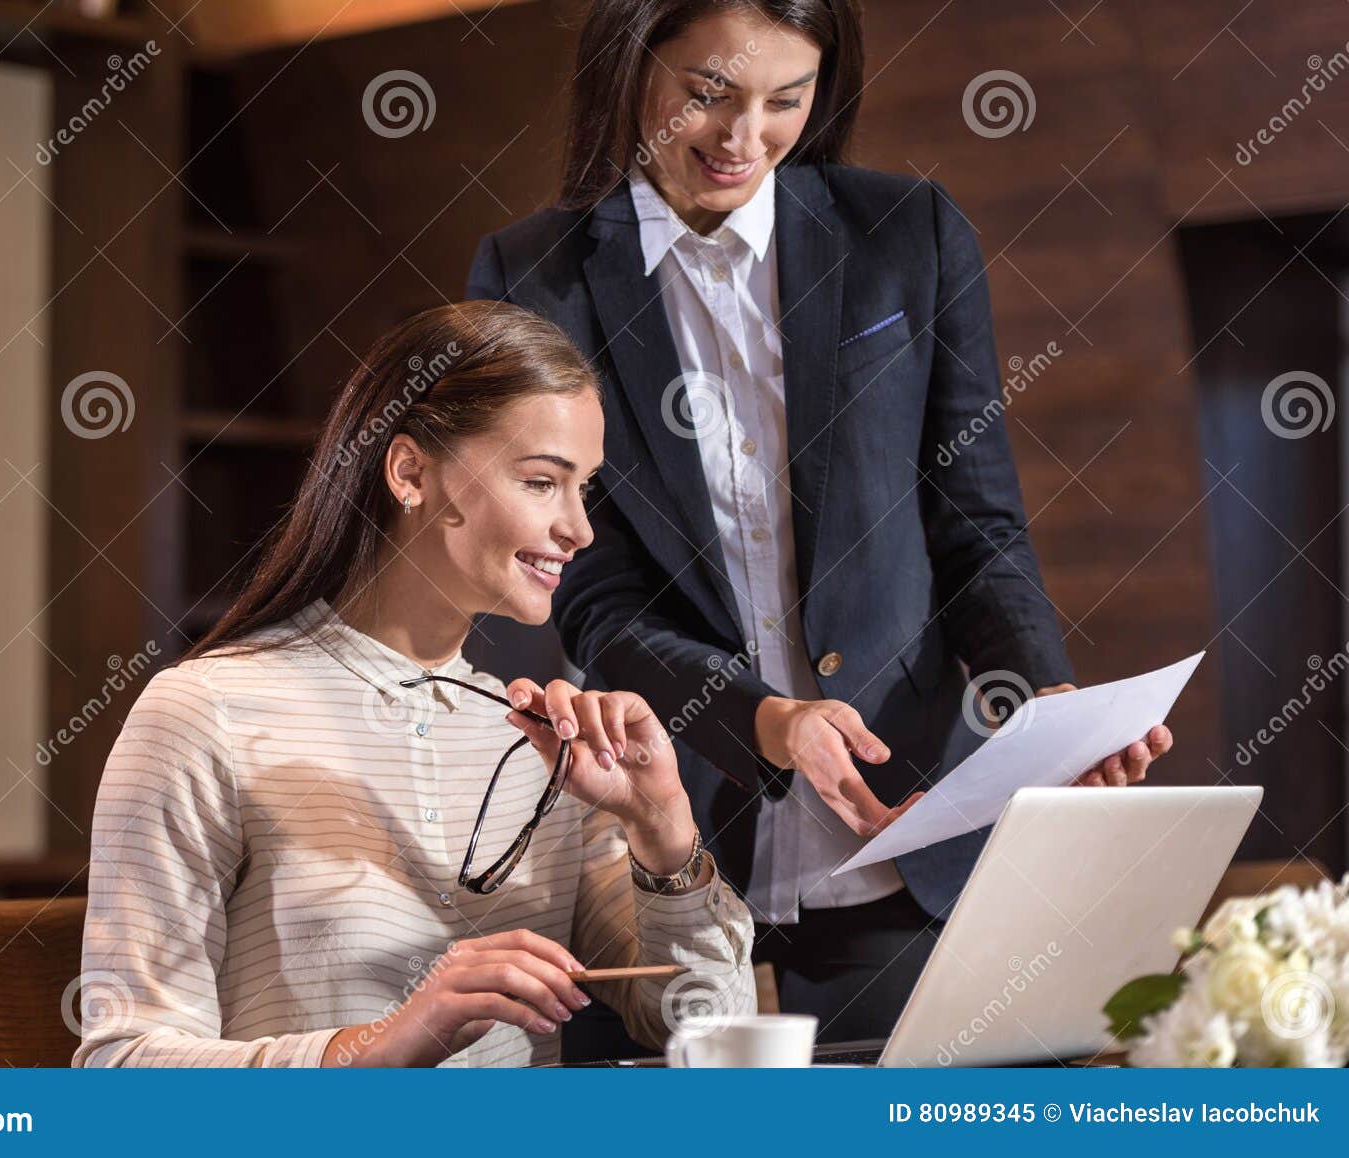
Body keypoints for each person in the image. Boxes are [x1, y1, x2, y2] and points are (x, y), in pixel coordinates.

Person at [466, 0, 1172, 1040]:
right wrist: (765, 719)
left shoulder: (906, 235)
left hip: (896, 827)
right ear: (632, 65)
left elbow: (974, 520)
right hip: (667, 843)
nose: (743, 137)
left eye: (785, 101)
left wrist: (1043, 702)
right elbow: (594, 595)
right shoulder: (535, 276)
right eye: (708, 94)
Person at [72, 301, 757, 1068]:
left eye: (584, 488)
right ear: (409, 473)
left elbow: (712, 1030)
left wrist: (661, 827)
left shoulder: (548, 747)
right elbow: (122, 1065)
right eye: (541, 481)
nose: (580, 529)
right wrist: (385, 1044)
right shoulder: (204, 713)